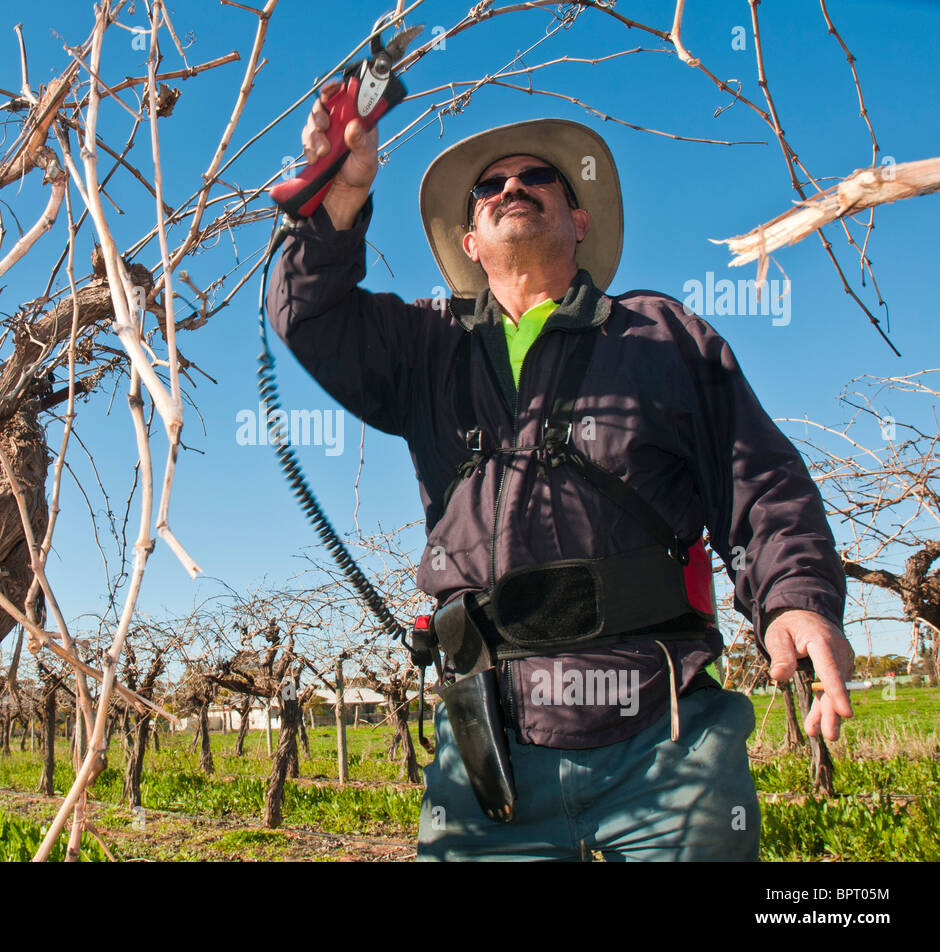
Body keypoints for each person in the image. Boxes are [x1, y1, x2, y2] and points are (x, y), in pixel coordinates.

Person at [266, 99, 855, 861]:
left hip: (663, 737)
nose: (512, 186)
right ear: (471, 240)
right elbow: (307, 314)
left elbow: (759, 480)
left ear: (578, 221)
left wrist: (796, 599)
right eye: (491, 186)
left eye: (537, 177)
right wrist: (339, 200)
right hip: (487, 751)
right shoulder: (424, 345)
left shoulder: (661, 335)